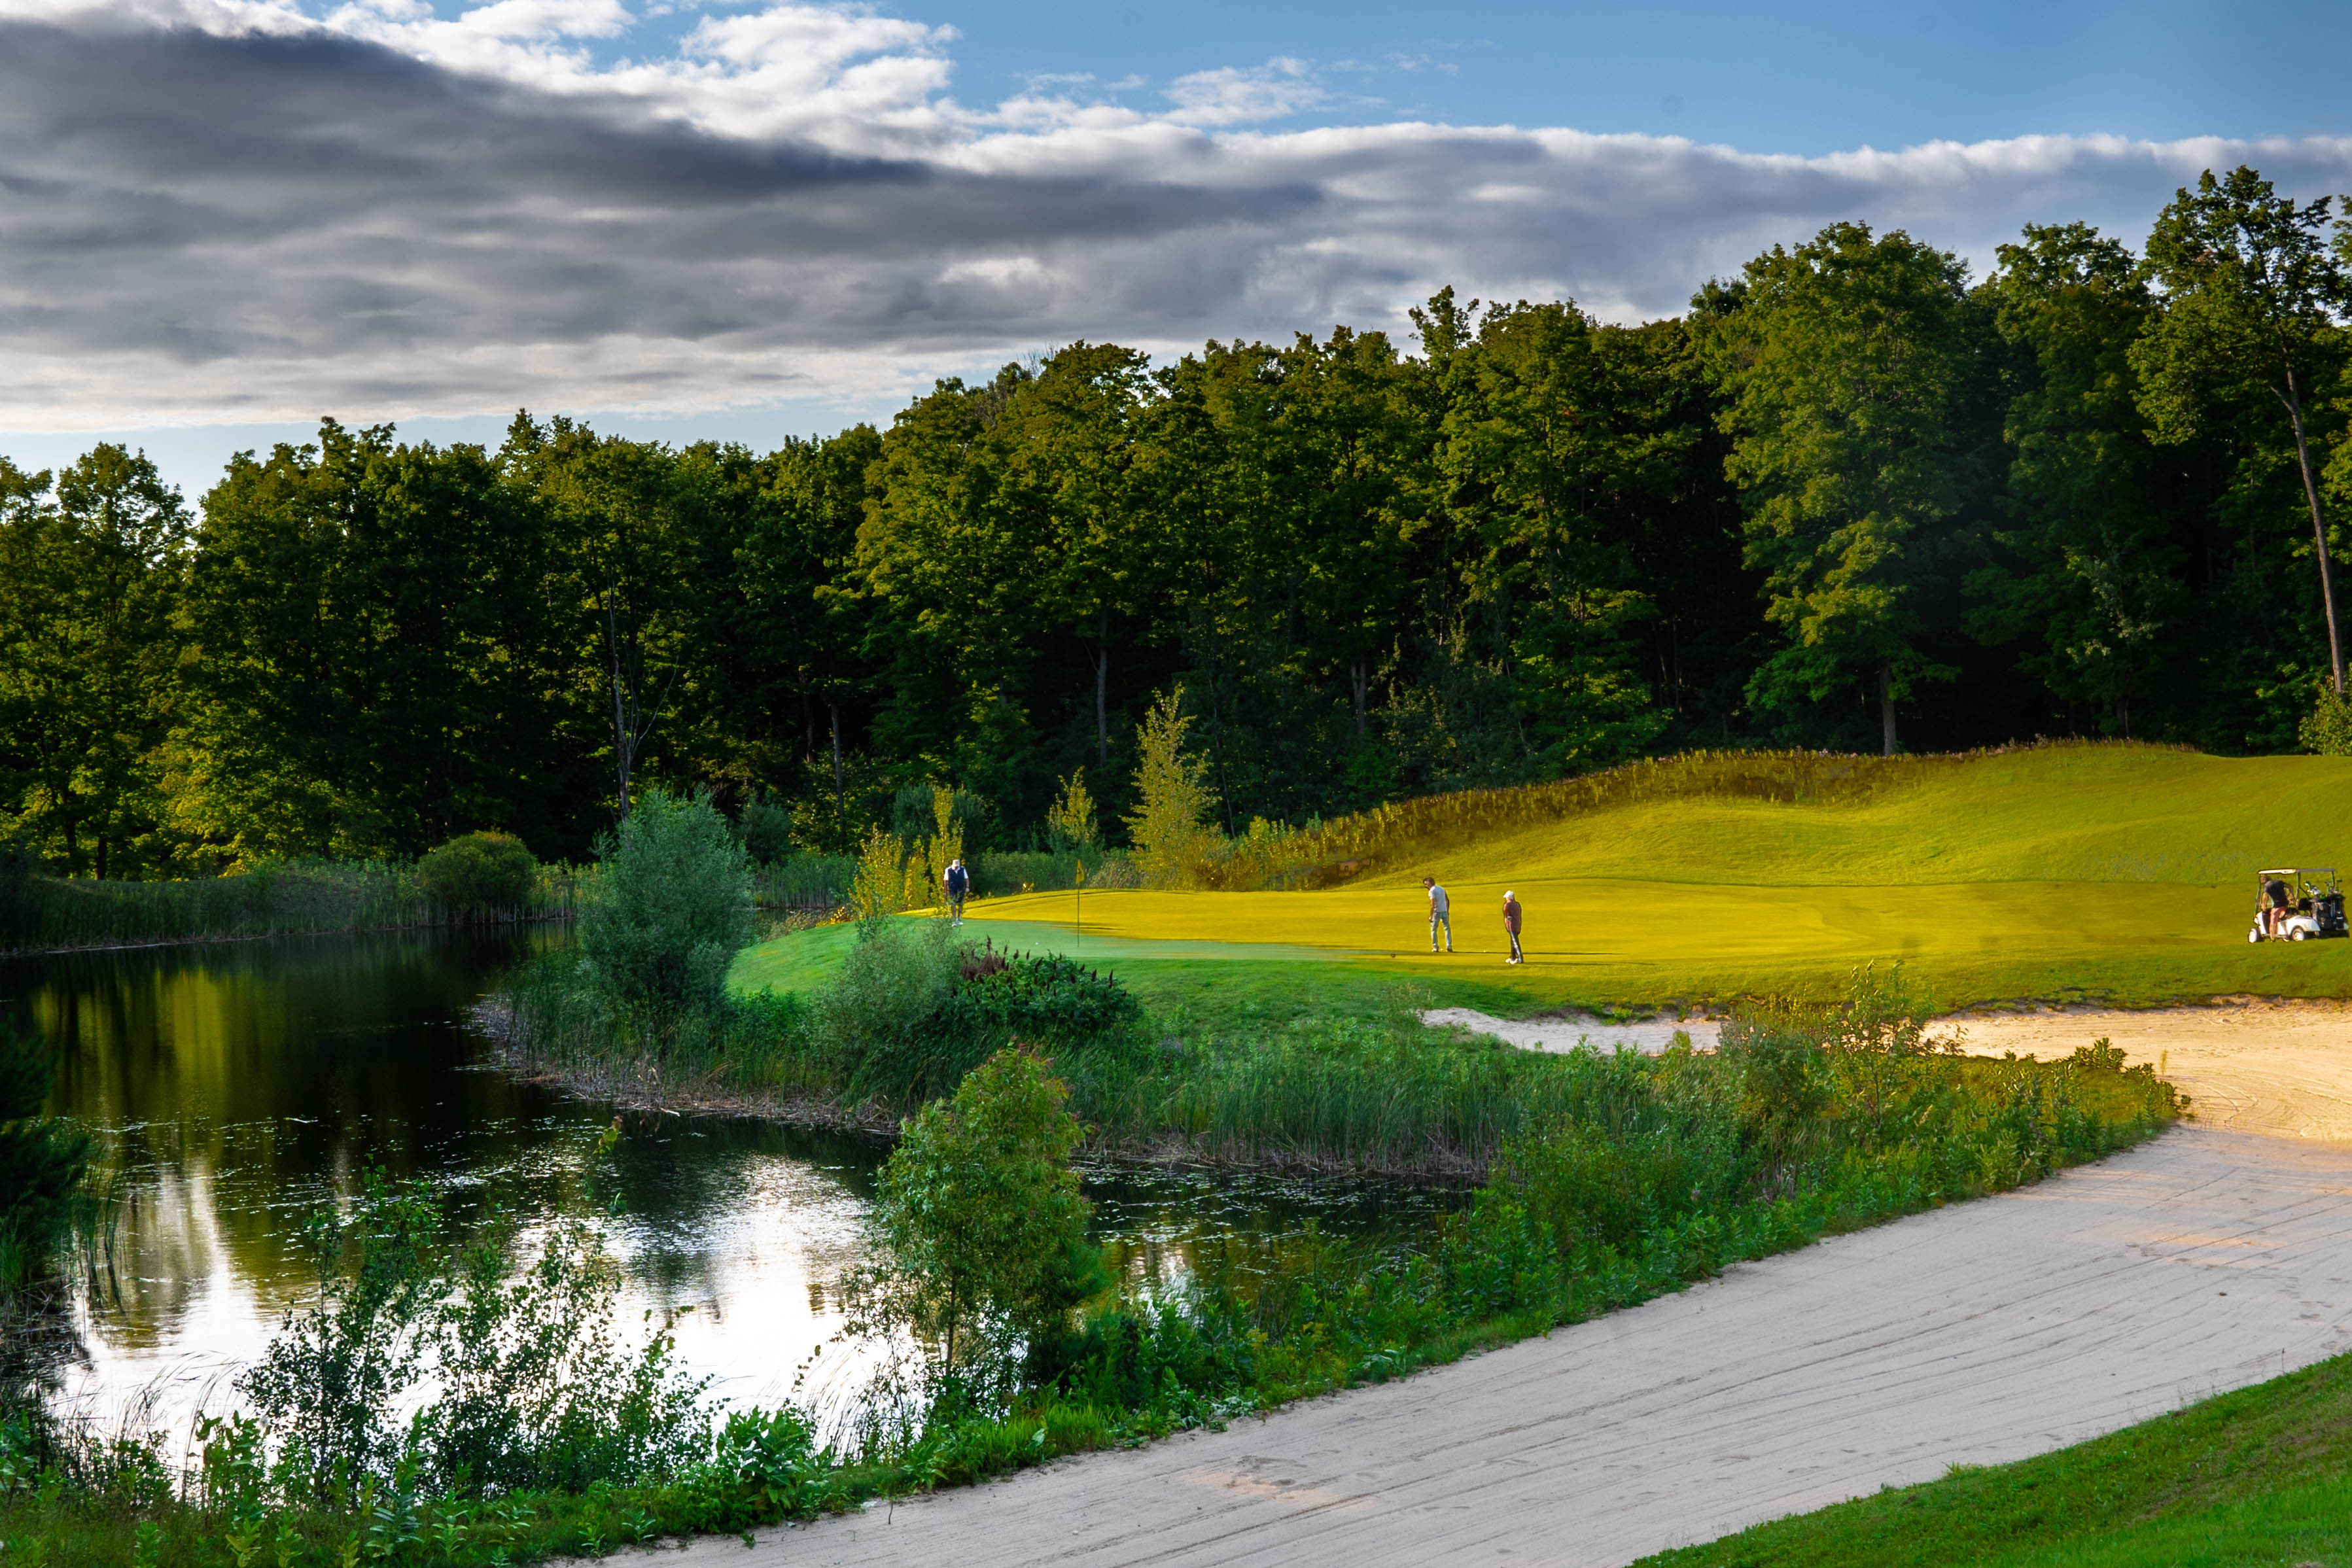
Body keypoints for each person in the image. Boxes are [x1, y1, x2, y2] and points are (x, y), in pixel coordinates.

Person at [1423, 876, 1452, 952]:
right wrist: (1447, 910)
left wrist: (1431, 916)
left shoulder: (1432, 891)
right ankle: (1449, 946)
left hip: (1437, 912)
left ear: (1429, 883)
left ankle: (1435, 947)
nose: (1426, 886)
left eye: (1426, 884)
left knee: (1434, 930)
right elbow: (1447, 900)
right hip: (1444, 911)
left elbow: (1432, 904)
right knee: (1447, 929)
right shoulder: (1442, 888)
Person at [944, 858, 969, 924]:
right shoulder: (948, 870)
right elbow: (946, 881)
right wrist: (945, 892)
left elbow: (966, 879)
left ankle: (959, 919)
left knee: (961, 904)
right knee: (953, 904)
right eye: (955, 866)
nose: (956, 867)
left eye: (957, 866)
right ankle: (954, 920)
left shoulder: (962, 869)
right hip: (952, 889)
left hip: (961, 889)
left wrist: (967, 887)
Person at [1502, 890, 1524, 965]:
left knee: (1515, 942)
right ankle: (1513, 957)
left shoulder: (1507, 905)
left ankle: (1521, 958)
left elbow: (1507, 915)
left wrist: (1507, 921)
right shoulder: (1517, 904)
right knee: (1513, 941)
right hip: (1518, 925)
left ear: (1509, 898)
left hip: (1511, 926)